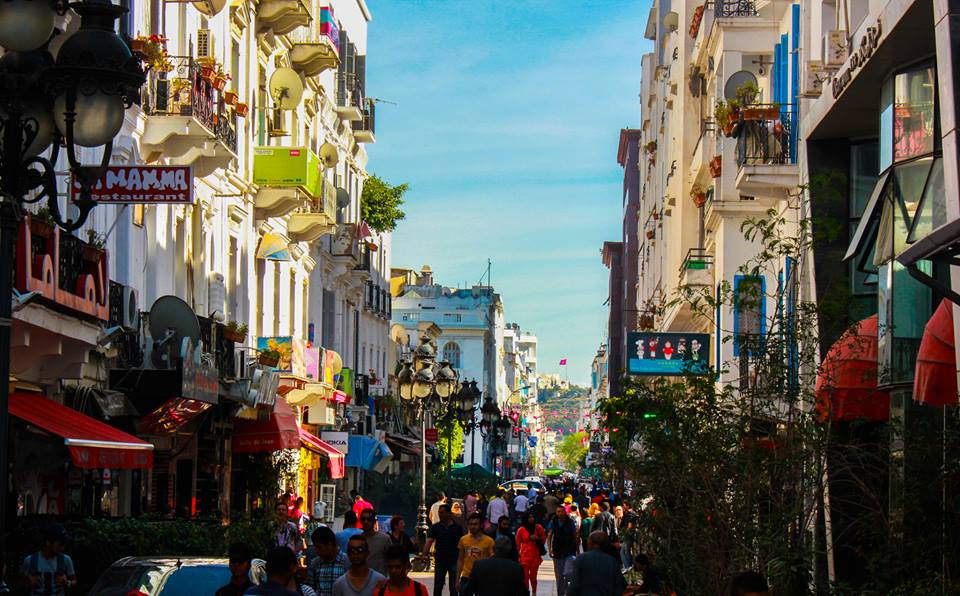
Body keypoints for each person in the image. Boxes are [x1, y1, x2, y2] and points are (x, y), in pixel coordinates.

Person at [460, 536, 527, 596]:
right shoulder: (517, 568)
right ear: (509, 549)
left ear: (494, 548)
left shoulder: (479, 565)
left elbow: (469, 591)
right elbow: (522, 592)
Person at [22, 524, 76, 596]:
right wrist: (28, 582)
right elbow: (22, 582)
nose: (63, 548)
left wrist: (68, 583)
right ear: (48, 543)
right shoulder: (30, 560)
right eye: (60, 544)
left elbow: (74, 580)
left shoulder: (66, 560)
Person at [422, 503, 465, 596]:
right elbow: (429, 541)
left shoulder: (457, 528)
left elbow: (462, 544)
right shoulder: (436, 527)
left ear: (449, 514)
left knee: (453, 588)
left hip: (454, 560)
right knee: (438, 587)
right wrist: (424, 554)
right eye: (439, 513)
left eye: (442, 513)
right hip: (440, 561)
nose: (440, 515)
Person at [566, 532, 626, 596]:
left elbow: (573, 587)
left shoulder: (580, 559)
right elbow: (620, 586)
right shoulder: (612, 562)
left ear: (590, 543)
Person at [456, 513, 495, 594]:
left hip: (483, 577)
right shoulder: (463, 539)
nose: (472, 527)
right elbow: (460, 560)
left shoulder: (489, 541)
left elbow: (493, 561)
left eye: (475, 524)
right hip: (466, 576)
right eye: (470, 524)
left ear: (481, 525)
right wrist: (457, 579)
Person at [308, 526, 349, 596]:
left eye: (318, 547)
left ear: (329, 545)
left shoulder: (346, 561)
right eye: (315, 547)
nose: (316, 550)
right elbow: (310, 588)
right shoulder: (315, 563)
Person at [547, 506, 578, 596]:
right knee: (560, 576)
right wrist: (550, 550)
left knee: (568, 573)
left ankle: (567, 591)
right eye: (558, 512)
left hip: (569, 551)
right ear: (556, 513)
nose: (560, 513)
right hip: (557, 552)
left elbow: (575, 536)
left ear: (565, 512)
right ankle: (560, 593)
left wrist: (577, 551)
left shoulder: (570, 522)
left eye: (561, 511)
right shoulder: (553, 522)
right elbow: (549, 536)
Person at [515, 512, 546, 596]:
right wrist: (517, 556)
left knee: (533, 576)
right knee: (525, 577)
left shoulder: (538, 527)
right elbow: (517, 544)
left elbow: (543, 540)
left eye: (532, 517)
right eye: (529, 517)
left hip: (535, 554)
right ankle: (526, 592)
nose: (531, 519)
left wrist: (537, 538)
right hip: (524, 555)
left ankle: (534, 592)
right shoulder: (521, 529)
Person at [359, 508, 392, 576]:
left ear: (374, 521)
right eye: (363, 519)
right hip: (360, 581)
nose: (366, 522)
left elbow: (392, 561)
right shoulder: (357, 540)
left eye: (369, 519)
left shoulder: (385, 539)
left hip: (379, 582)